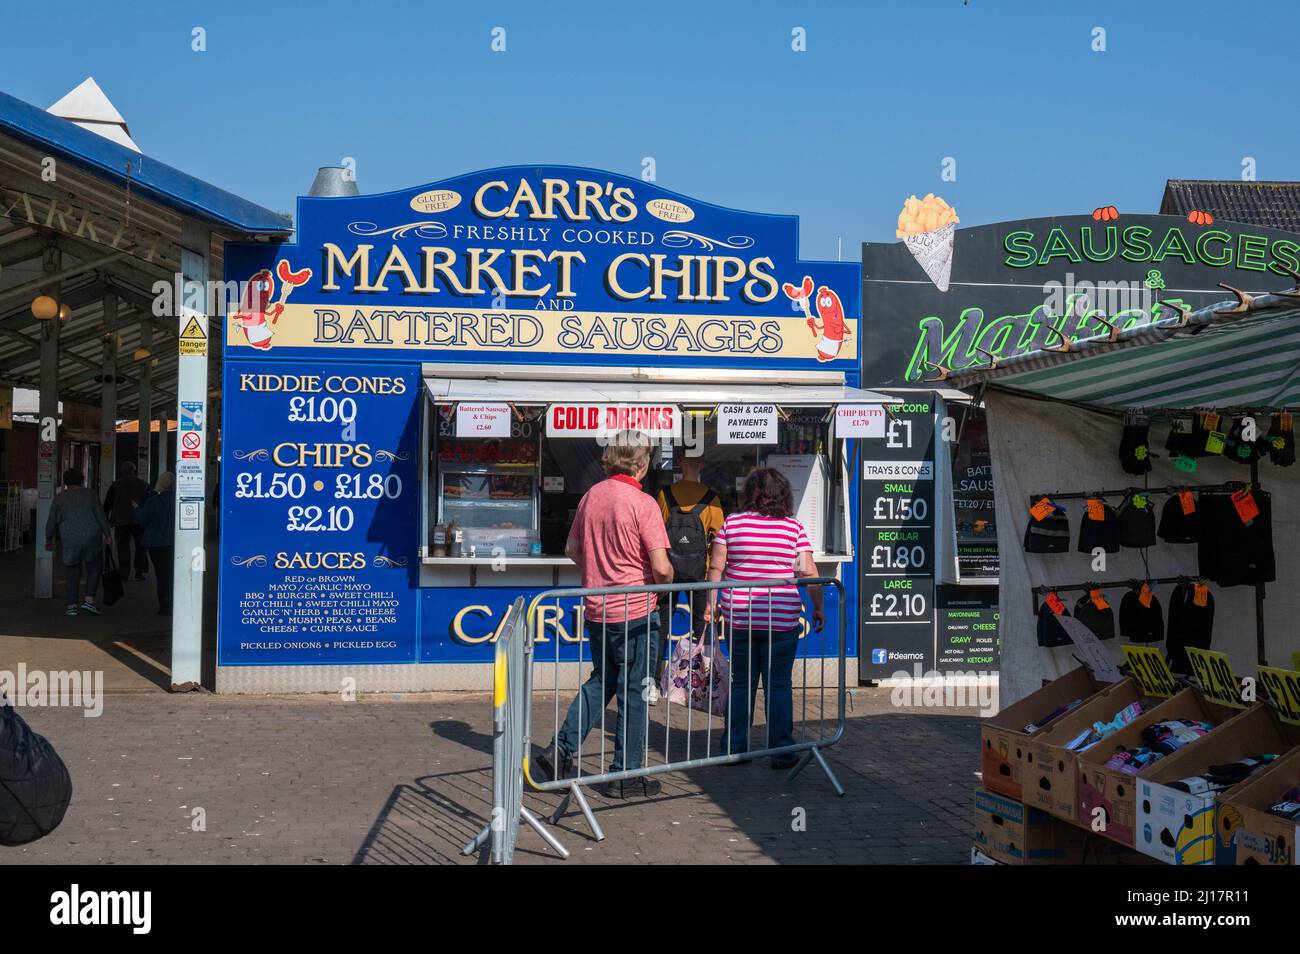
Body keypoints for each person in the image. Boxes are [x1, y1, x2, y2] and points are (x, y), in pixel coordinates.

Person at [536, 431, 673, 799]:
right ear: (642, 464)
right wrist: (665, 579)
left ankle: (560, 750)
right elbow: (661, 569)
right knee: (636, 690)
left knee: (602, 681)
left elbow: (571, 548)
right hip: (637, 611)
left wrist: (599, 570)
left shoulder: (591, 497)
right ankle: (624, 775)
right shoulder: (643, 504)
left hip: (598, 609)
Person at [705, 467, 823, 769]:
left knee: (741, 683)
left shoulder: (732, 523)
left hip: (740, 618)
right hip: (781, 620)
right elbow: (808, 572)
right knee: (779, 685)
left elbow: (716, 568)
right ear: (783, 494)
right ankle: (782, 751)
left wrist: (711, 604)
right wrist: (818, 608)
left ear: (750, 494)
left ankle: (733, 749)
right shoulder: (792, 529)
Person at [651, 451, 724, 703]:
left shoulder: (664, 495)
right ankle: (699, 686)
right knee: (701, 631)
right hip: (701, 575)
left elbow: (656, 534)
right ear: (702, 464)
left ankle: (653, 682)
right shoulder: (712, 500)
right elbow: (719, 541)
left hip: (667, 575)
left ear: (679, 462)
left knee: (659, 629)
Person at [45, 469, 113, 617]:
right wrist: (107, 534)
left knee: (72, 571)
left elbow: (52, 520)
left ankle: (72, 606)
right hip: (92, 536)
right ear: (81, 480)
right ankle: (89, 600)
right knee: (94, 568)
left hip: (70, 538)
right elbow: (100, 515)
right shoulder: (91, 494)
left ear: (65, 482)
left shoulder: (60, 498)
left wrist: (48, 538)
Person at [133, 471, 175, 615]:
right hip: (174, 543)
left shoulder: (153, 500)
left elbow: (142, 519)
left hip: (156, 544)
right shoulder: (180, 499)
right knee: (172, 574)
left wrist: (137, 509)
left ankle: (164, 606)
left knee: (161, 575)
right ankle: (176, 602)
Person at [104, 460, 148, 581]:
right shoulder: (143, 484)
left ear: (122, 471)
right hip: (139, 520)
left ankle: (124, 573)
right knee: (141, 546)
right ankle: (139, 572)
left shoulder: (115, 485)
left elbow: (108, 504)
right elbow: (148, 503)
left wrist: (105, 521)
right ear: (134, 471)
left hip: (120, 520)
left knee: (122, 547)